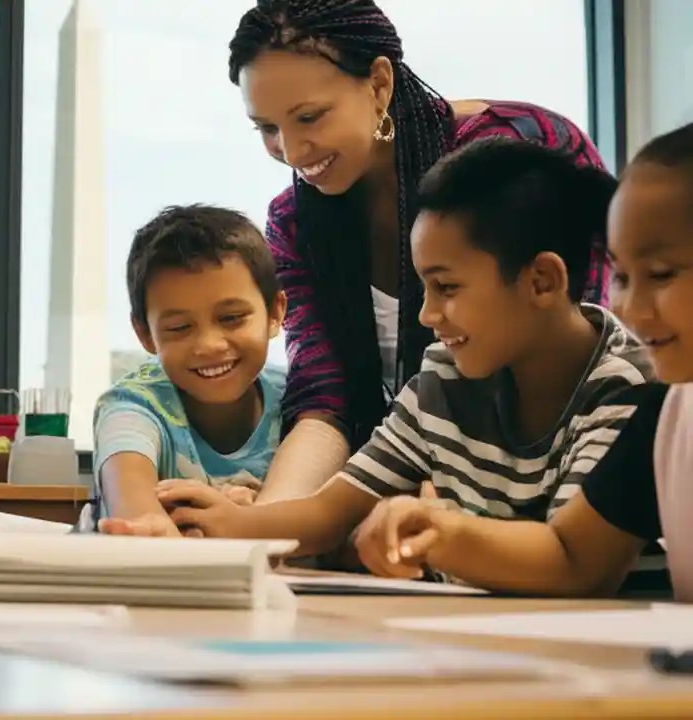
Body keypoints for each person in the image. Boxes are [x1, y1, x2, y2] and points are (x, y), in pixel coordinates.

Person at [102, 140, 651, 587]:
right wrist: (231, 522)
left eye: (447, 287)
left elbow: (576, 562)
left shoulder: (625, 387)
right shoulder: (443, 377)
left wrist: (440, 531)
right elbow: (329, 511)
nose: (428, 313)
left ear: (542, 281)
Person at [227, 0, 612, 500]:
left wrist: (446, 499)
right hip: (402, 499)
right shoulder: (294, 222)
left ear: (379, 83)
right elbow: (325, 399)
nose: (293, 151)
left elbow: (584, 344)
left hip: (560, 484)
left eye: (310, 116)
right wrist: (270, 523)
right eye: (268, 128)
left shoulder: (524, 148)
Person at [352, 122, 693, 600]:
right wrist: (443, 533)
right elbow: (573, 558)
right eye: (621, 276)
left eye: (660, 275)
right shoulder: (667, 413)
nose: (632, 309)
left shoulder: (624, 387)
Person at [93, 205, 286, 537]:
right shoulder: (133, 404)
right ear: (145, 335)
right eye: (180, 327)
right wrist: (146, 521)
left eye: (231, 318)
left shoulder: (302, 401)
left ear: (275, 313)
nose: (209, 345)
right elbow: (128, 485)